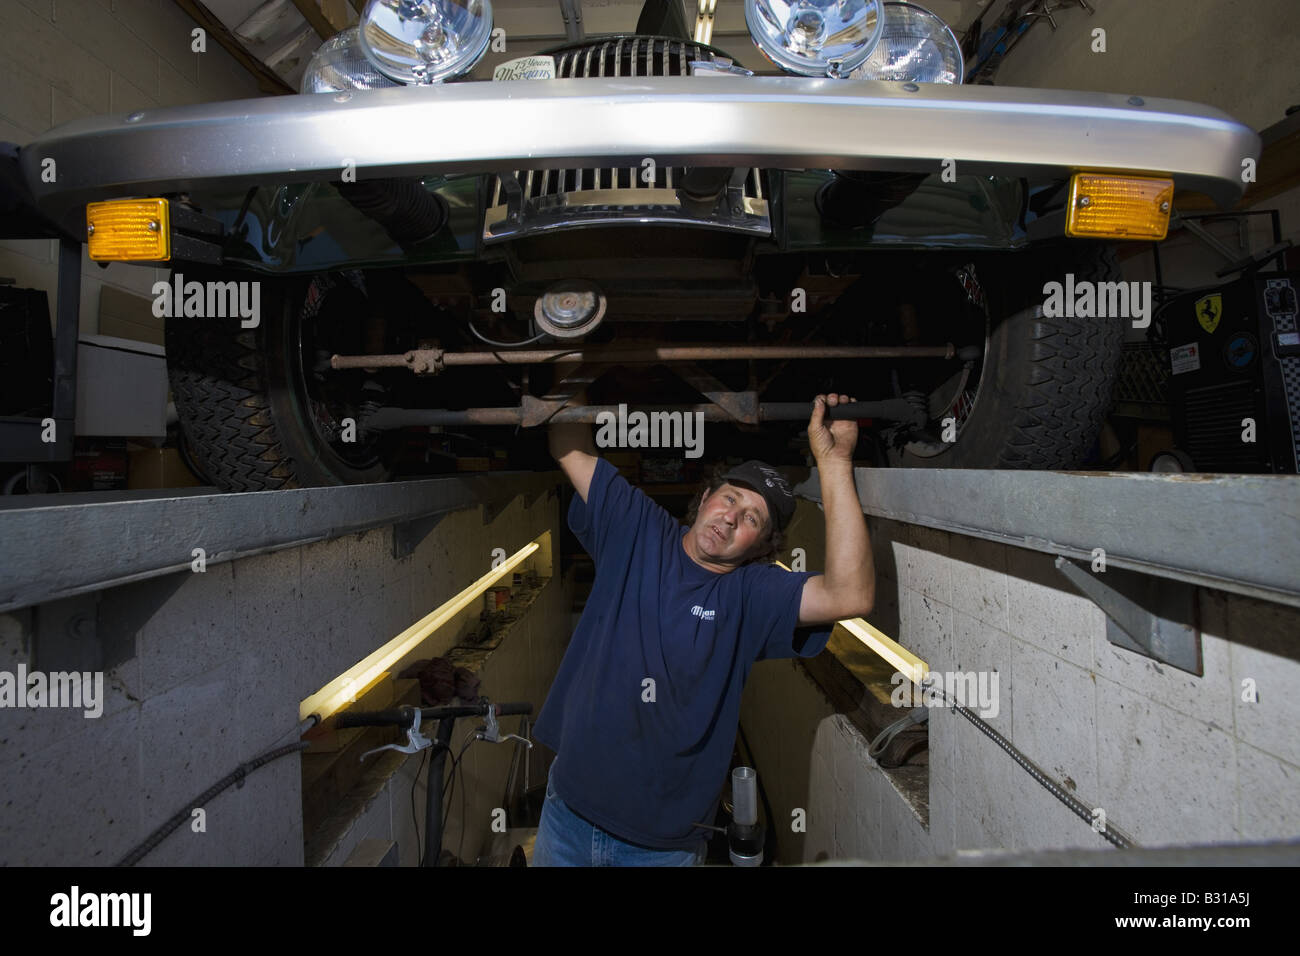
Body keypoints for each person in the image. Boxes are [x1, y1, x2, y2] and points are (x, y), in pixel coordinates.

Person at [531, 393, 875, 866]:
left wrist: (834, 461)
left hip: (662, 849)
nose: (732, 516)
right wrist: (569, 332)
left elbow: (851, 593)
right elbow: (567, 442)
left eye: (752, 518)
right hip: (567, 816)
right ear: (705, 498)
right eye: (730, 498)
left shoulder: (752, 594)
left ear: (762, 547)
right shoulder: (639, 531)